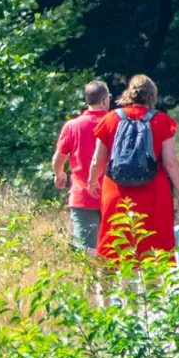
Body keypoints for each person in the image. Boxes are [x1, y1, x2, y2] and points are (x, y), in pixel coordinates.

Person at [87, 74, 179, 264]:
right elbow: (170, 162)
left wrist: (92, 180)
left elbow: (97, 159)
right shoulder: (162, 121)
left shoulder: (110, 119)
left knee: (113, 245)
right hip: (154, 193)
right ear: (152, 95)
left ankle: (109, 293)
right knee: (155, 249)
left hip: (117, 191)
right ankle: (153, 291)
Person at [52, 79, 111, 254]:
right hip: (112, 196)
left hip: (82, 196)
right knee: (113, 252)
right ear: (105, 99)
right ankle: (111, 282)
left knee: (86, 252)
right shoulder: (115, 123)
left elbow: (58, 158)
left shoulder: (72, 126)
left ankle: (89, 282)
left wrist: (59, 174)